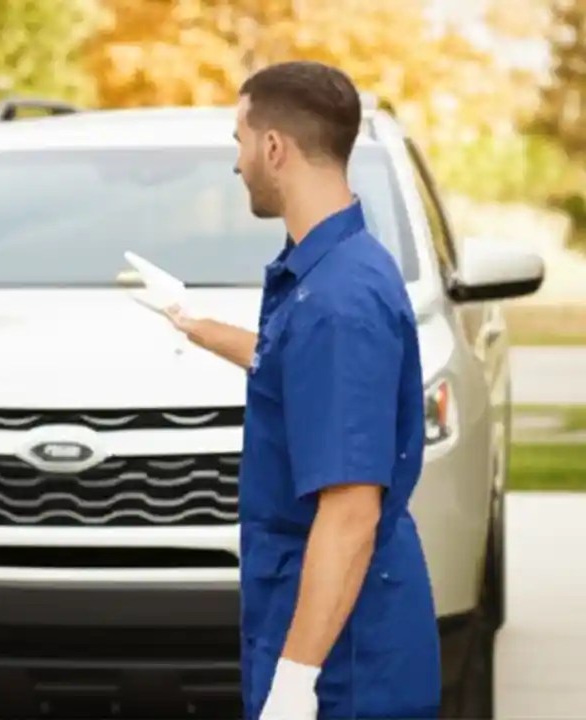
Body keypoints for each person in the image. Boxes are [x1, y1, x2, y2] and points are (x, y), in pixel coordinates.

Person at [156, 61, 440, 719]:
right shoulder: (329, 274)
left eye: (240, 140)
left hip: (345, 662)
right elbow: (297, 372)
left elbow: (349, 511)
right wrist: (194, 324)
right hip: (321, 625)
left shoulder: (338, 300)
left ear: (274, 148)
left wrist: (294, 682)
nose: (238, 163)